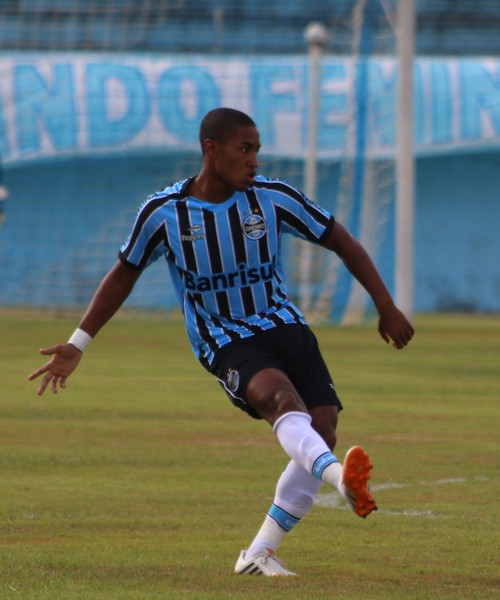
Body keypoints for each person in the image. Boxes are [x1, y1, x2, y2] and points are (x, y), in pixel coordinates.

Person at [28, 107, 414, 577]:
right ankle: (340, 479)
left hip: (286, 327)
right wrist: (79, 342)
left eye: (257, 150)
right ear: (212, 150)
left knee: (323, 431)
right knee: (281, 400)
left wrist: (386, 305)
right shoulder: (165, 213)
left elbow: (341, 241)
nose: (253, 160)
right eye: (244, 149)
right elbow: (123, 274)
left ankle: (258, 554)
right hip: (225, 340)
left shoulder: (272, 198)